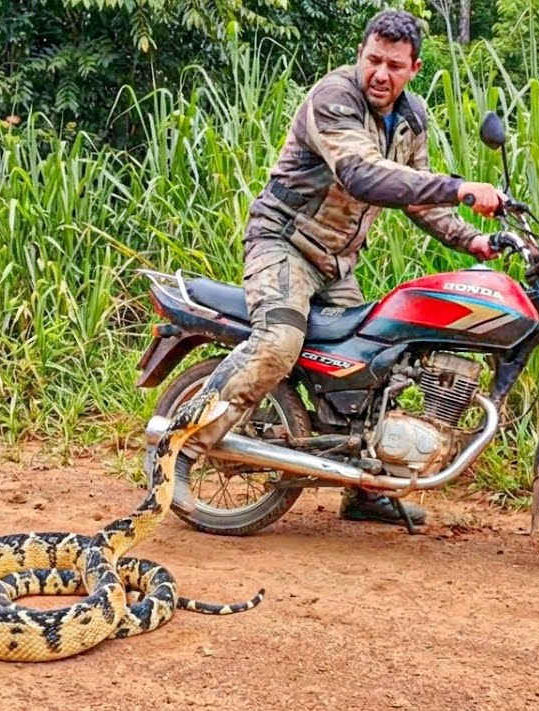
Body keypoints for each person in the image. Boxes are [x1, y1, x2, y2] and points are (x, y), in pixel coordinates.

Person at [188, 9, 504, 526]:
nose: (381, 73)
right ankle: (184, 443)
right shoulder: (333, 98)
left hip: (336, 262)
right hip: (284, 244)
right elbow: (362, 174)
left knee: (372, 368)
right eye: (373, 60)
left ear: (413, 69)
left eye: (395, 65)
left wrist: (474, 241)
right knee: (277, 345)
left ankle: (362, 490)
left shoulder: (411, 118)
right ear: (360, 55)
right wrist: (460, 187)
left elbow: (418, 197)